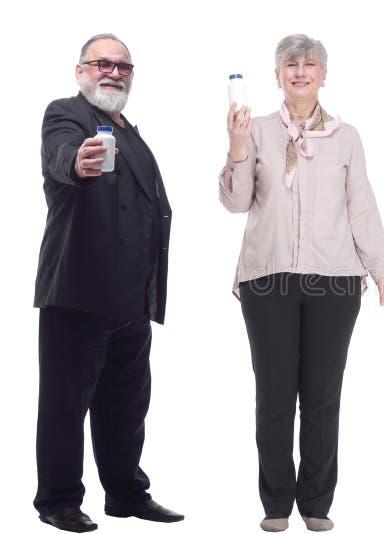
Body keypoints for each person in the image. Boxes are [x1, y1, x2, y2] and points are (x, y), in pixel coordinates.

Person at [219, 34, 384, 532]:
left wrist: (382, 270)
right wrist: (237, 147)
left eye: (309, 64)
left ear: (323, 75)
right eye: (291, 65)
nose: (300, 72)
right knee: (274, 395)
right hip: (268, 276)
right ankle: (277, 502)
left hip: (335, 280)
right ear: (277, 75)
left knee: (322, 396)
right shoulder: (254, 129)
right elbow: (236, 203)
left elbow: (362, 207)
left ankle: (317, 503)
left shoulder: (346, 137)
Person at [33, 34, 183, 532]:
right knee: (64, 406)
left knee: (126, 407)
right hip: (78, 292)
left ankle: (126, 494)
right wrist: (77, 162)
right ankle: (58, 501)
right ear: (81, 71)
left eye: (123, 66)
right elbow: (63, 155)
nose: (114, 72)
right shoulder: (66, 114)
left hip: (132, 298)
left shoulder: (131, 132)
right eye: (103, 63)